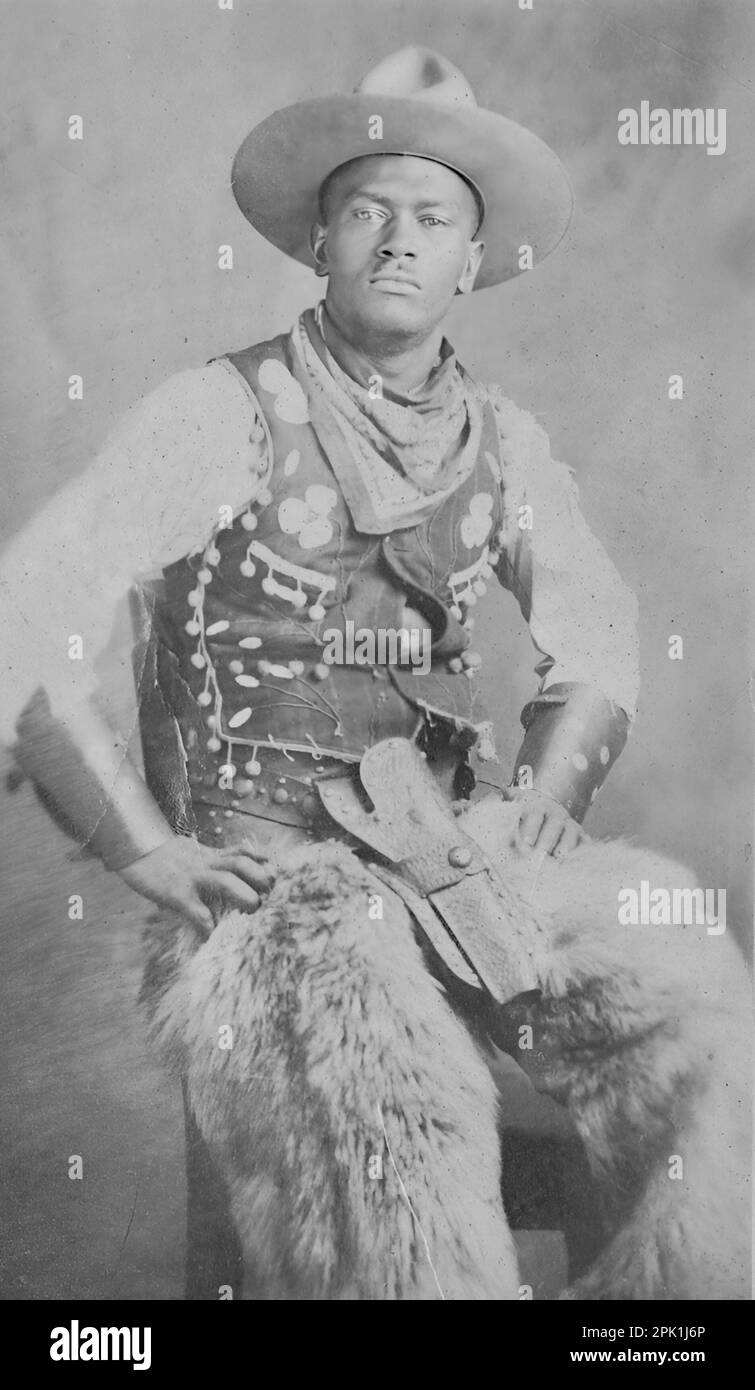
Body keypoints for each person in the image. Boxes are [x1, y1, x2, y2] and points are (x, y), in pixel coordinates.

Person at [1, 47, 747, 1301]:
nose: (399, 242)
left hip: (456, 872)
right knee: (391, 1105)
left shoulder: (499, 445)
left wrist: (543, 797)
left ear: (471, 259)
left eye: (432, 218)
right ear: (319, 244)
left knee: (692, 993)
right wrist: (142, 849)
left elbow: (598, 625)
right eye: (368, 212)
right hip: (270, 905)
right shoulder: (217, 415)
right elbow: (28, 609)